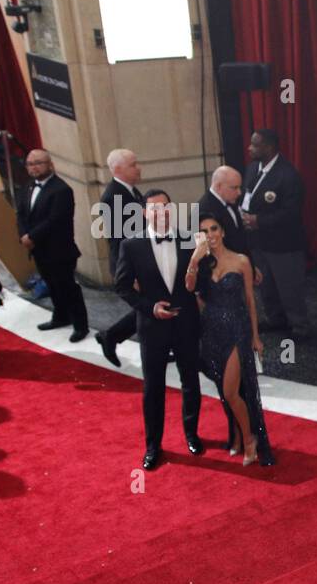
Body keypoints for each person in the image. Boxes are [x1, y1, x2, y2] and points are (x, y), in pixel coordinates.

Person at [114, 189, 204, 471]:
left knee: (191, 380)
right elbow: (122, 286)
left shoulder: (189, 239)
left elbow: (201, 280)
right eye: (154, 208)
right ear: (144, 213)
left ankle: (192, 434)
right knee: (153, 387)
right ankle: (154, 446)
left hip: (186, 323)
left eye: (165, 207)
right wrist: (150, 307)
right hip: (152, 327)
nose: (161, 213)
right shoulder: (131, 245)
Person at [186, 212, 274, 466]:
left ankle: (249, 438)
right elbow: (190, 288)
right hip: (211, 332)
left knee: (230, 391)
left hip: (238, 330)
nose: (210, 235)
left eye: (214, 229)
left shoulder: (241, 261)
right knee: (226, 392)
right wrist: (194, 258)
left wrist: (256, 337)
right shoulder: (201, 264)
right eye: (204, 232)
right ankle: (235, 434)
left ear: (222, 232)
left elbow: (250, 301)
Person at [240, 129, 309, 338]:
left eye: (254, 144)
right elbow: (247, 196)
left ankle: (299, 325)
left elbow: (291, 213)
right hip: (259, 241)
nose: (249, 148)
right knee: (266, 284)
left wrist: (258, 220)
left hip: (284, 243)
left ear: (268, 147)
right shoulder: (252, 169)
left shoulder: (288, 175)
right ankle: (275, 318)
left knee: (289, 285)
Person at [16, 149, 88, 341]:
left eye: (38, 163)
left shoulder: (61, 189)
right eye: (30, 164)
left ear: (50, 164)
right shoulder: (27, 187)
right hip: (38, 249)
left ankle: (81, 325)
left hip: (59, 249)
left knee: (68, 287)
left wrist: (31, 236)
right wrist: (23, 234)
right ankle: (61, 316)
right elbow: (21, 214)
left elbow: (55, 220)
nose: (34, 167)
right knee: (52, 285)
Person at [95, 148, 145, 366]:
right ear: (117, 169)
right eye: (133, 165)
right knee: (148, 308)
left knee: (149, 307)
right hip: (131, 265)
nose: (138, 168)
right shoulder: (113, 197)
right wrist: (130, 273)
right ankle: (111, 336)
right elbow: (119, 240)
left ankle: (111, 336)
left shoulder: (130, 191)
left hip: (140, 262)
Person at [198, 165, 261, 284]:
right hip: (221, 280)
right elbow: (202, 252)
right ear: (219, 186)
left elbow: (240, 239)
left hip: (239, 270)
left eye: (239, 187)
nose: (239, 192)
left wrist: (250, 267)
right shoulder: (202, 209)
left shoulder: (229, 201)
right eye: (234, 188)